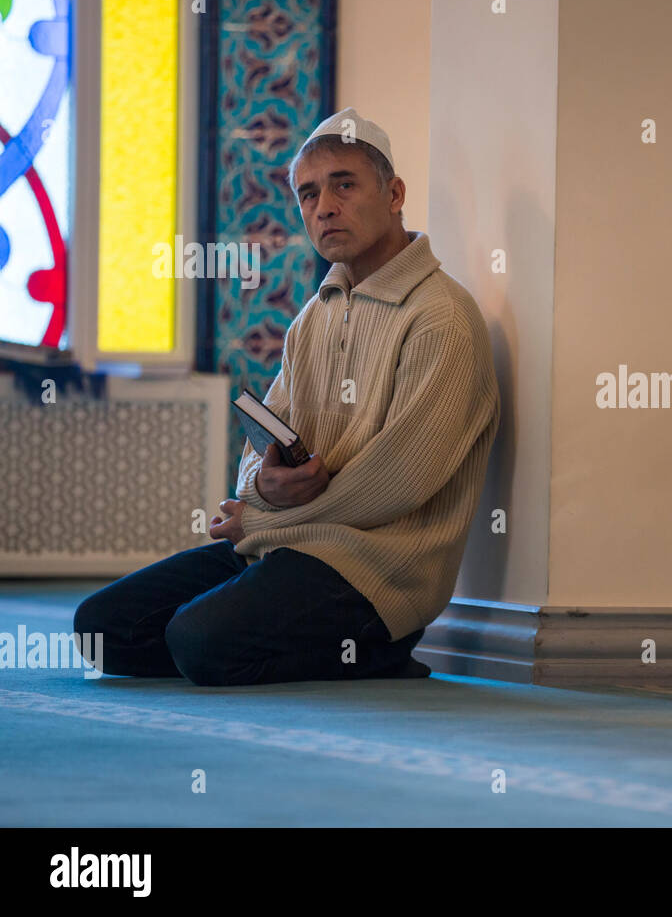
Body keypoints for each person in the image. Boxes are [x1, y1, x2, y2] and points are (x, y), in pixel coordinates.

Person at [74, 108, 501, 685]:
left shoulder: (442, 317)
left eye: (344, 185)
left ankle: (379, 653)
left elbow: (396, 483)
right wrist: (262, 485)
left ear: (394, 193)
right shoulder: (314, 317)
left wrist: (258, 519)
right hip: (289, 542)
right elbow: (264, 441)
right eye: (307, 194)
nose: (323, 206)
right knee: (100, 628)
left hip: (374, 571)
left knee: (196, 642)